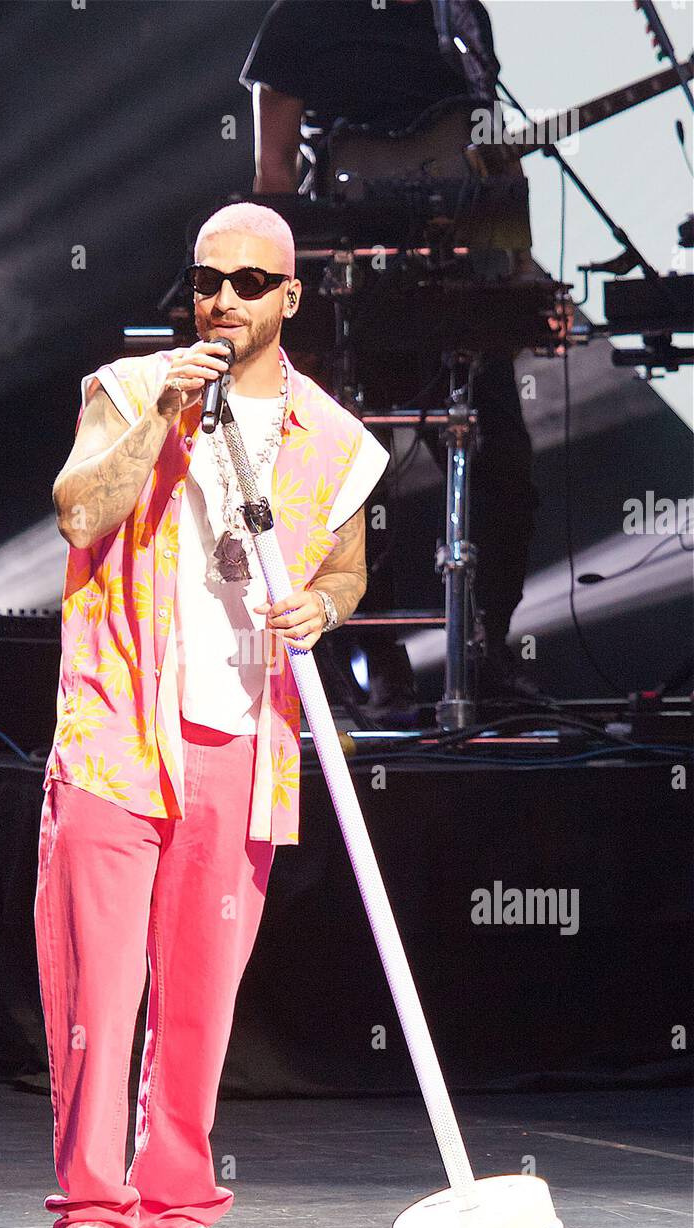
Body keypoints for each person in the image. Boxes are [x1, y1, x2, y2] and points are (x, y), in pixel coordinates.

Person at [34, 202, 390, 1228]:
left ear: (288, 296)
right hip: (116, 726)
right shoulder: (130, 389)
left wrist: (323, 609)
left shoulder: (332, 435)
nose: (222, 301)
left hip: (242, 737)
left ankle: (175, 1214)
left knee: (201, 992)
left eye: (247, 283)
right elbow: (75, 512)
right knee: (102, 987)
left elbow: (347, 565)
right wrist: (162, 420)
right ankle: (93, 1215)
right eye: (205, 280)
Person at [240, 0, 542, 710]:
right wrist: (288, 302)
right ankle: (370, 660)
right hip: (351, 291)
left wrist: (522, 271)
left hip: (459, 286)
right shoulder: (301, 18)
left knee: (505, 469)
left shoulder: (462, 15)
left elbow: (485, 152)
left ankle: (486, 651)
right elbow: (274, 171)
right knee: (352, 492)